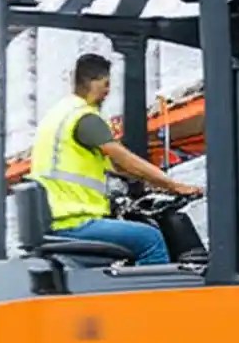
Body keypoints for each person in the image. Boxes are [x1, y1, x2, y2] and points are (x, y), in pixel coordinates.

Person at [29, 53, 202, 265]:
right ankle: (154, 287)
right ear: (93, 82)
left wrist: (155, 185)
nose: (108, 91)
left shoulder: (58, 115)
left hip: (57, 220)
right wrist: (174, 185)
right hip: (74, 222)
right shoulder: (85, 118)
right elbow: (125, 159)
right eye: (106, 84)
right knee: (150, 239)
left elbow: (117, 168)